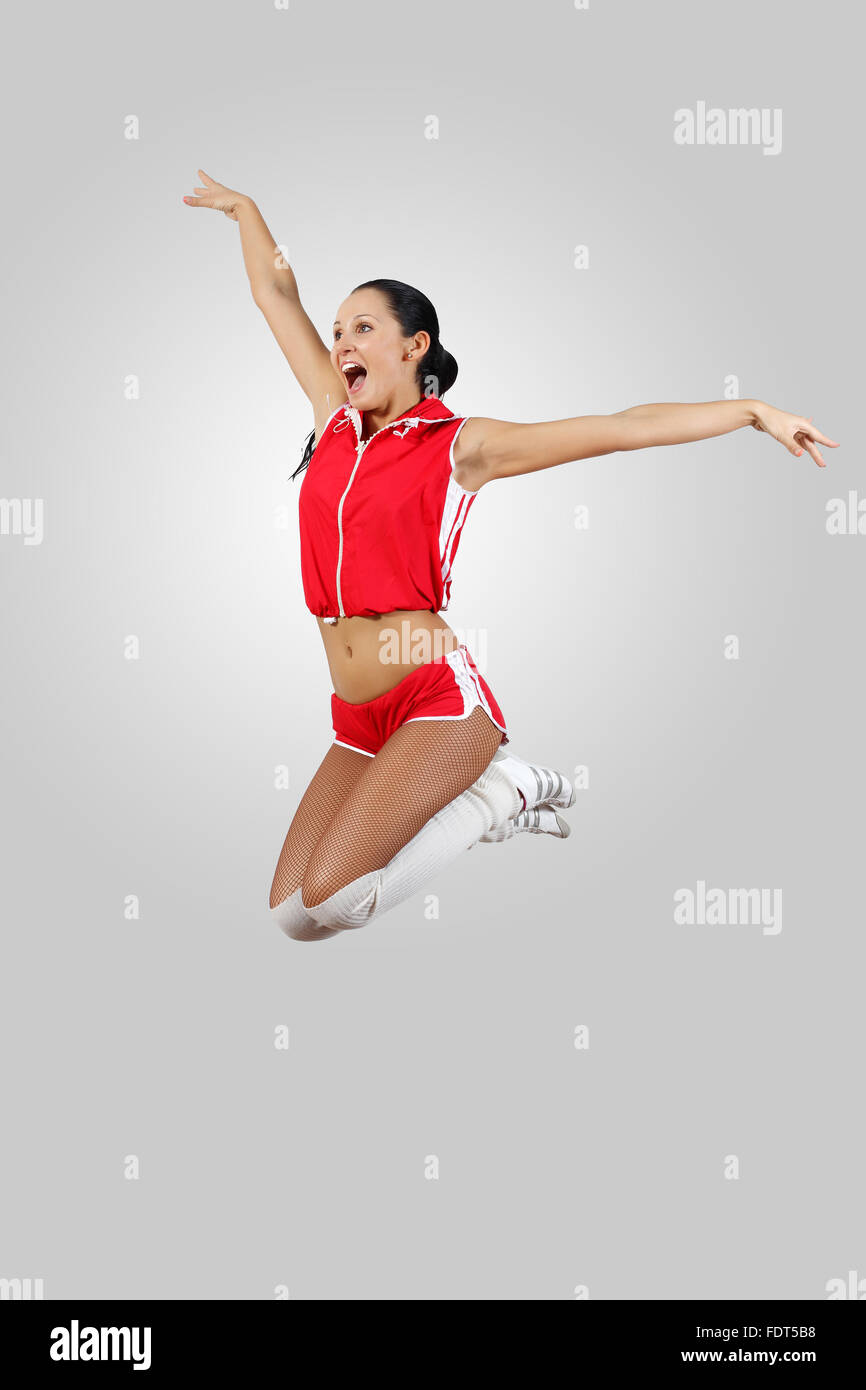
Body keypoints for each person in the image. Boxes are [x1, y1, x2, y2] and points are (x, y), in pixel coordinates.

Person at [183, 170, 839, 942]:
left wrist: (751, 411)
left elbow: (620, 425)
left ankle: (507, 789)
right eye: (337, 332)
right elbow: (275, 296)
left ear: (413, 345)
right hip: (357, 714)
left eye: (362, 328)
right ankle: (494, 791)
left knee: (336, 898)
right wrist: (244, 211)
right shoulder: (331, 419)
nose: (341, 344)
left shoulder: (461, 445)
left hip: (435, 701)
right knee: (297, 916)